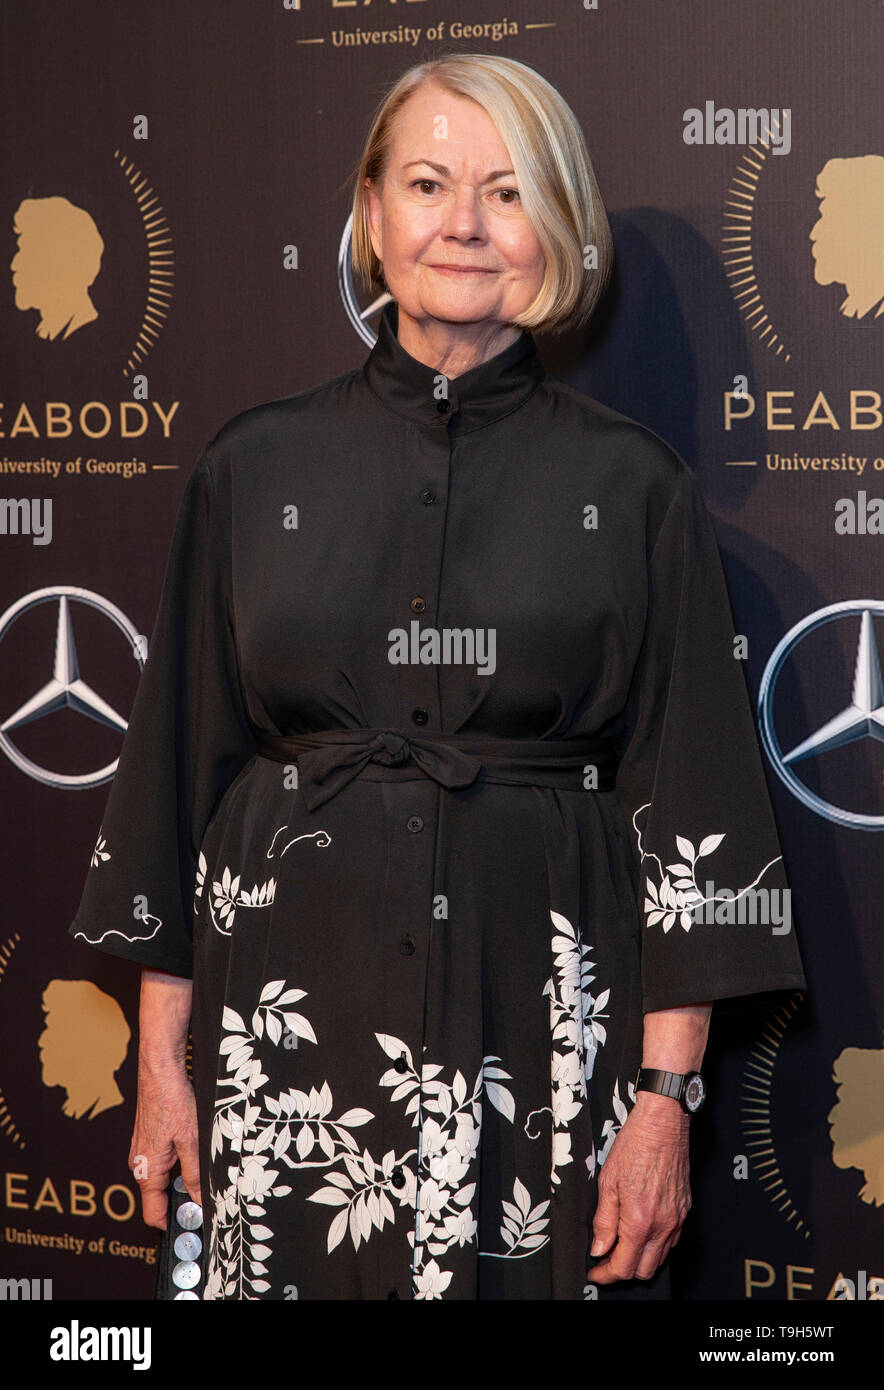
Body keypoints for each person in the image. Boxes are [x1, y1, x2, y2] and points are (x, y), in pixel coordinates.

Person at [69, 52, 806, 1301]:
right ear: (370, 214)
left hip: (541, 1025)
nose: (462, 223)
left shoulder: (633, 487)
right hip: (284, 1033)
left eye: (506, 192)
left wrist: (663, 1102)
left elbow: (694, 807)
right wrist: (161, 1065)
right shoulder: (251, 467)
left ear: (556, 227)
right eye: (426, 183)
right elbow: (175, 784)